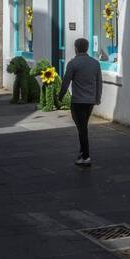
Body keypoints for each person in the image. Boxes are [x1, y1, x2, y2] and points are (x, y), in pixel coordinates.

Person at [55, 37, 102, 167]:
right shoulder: (95, 63)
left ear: (76, 48)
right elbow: (99, 83)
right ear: (86, 48)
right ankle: (82, 152)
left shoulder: (73, 63)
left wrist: (60, 97)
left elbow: (65, 82)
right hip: (90, 101)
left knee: (82, 129)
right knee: (83, 126)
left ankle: (86, 157)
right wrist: (97, 98)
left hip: (77, 101)